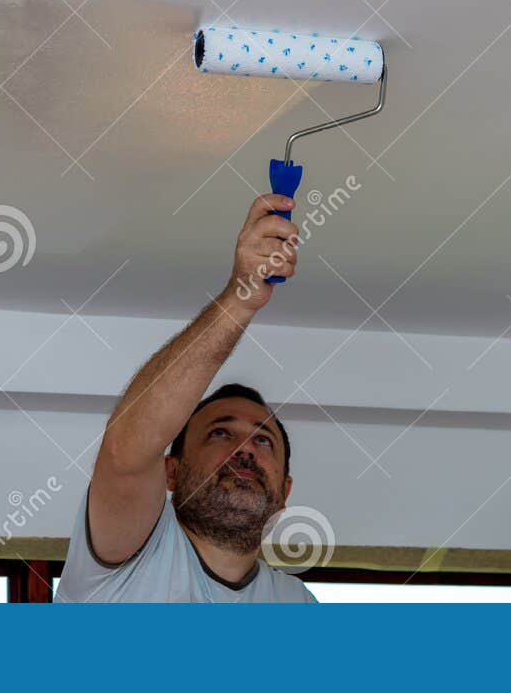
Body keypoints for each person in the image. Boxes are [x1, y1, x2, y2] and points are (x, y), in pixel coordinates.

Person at [54, 195, 315, 602]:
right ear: (170, 472)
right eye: (219, 434)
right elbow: (127, 451)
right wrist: (241, 298)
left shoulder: (295, 602)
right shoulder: (132, 557)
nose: (245, 448)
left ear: (284, 491)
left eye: (263, 440)